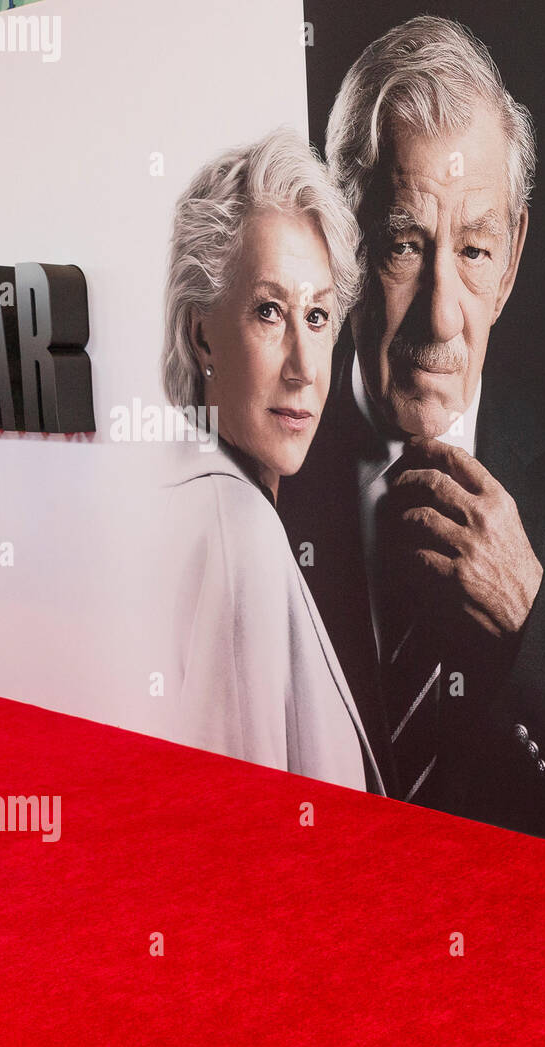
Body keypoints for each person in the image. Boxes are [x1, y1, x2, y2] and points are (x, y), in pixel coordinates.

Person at [279, 16, 545, 825]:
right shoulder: (260, 477)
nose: (441, 319)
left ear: (510, 261)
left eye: (473, 252)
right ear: (340, 243)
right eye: (404, 242)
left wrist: (531, 615)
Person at [157, 127, 383, 794]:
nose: (304, 369)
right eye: (268, 311)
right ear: (203, 334)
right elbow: (240, 854)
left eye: (318, 317)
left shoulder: (196, 501)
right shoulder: (237, 532)